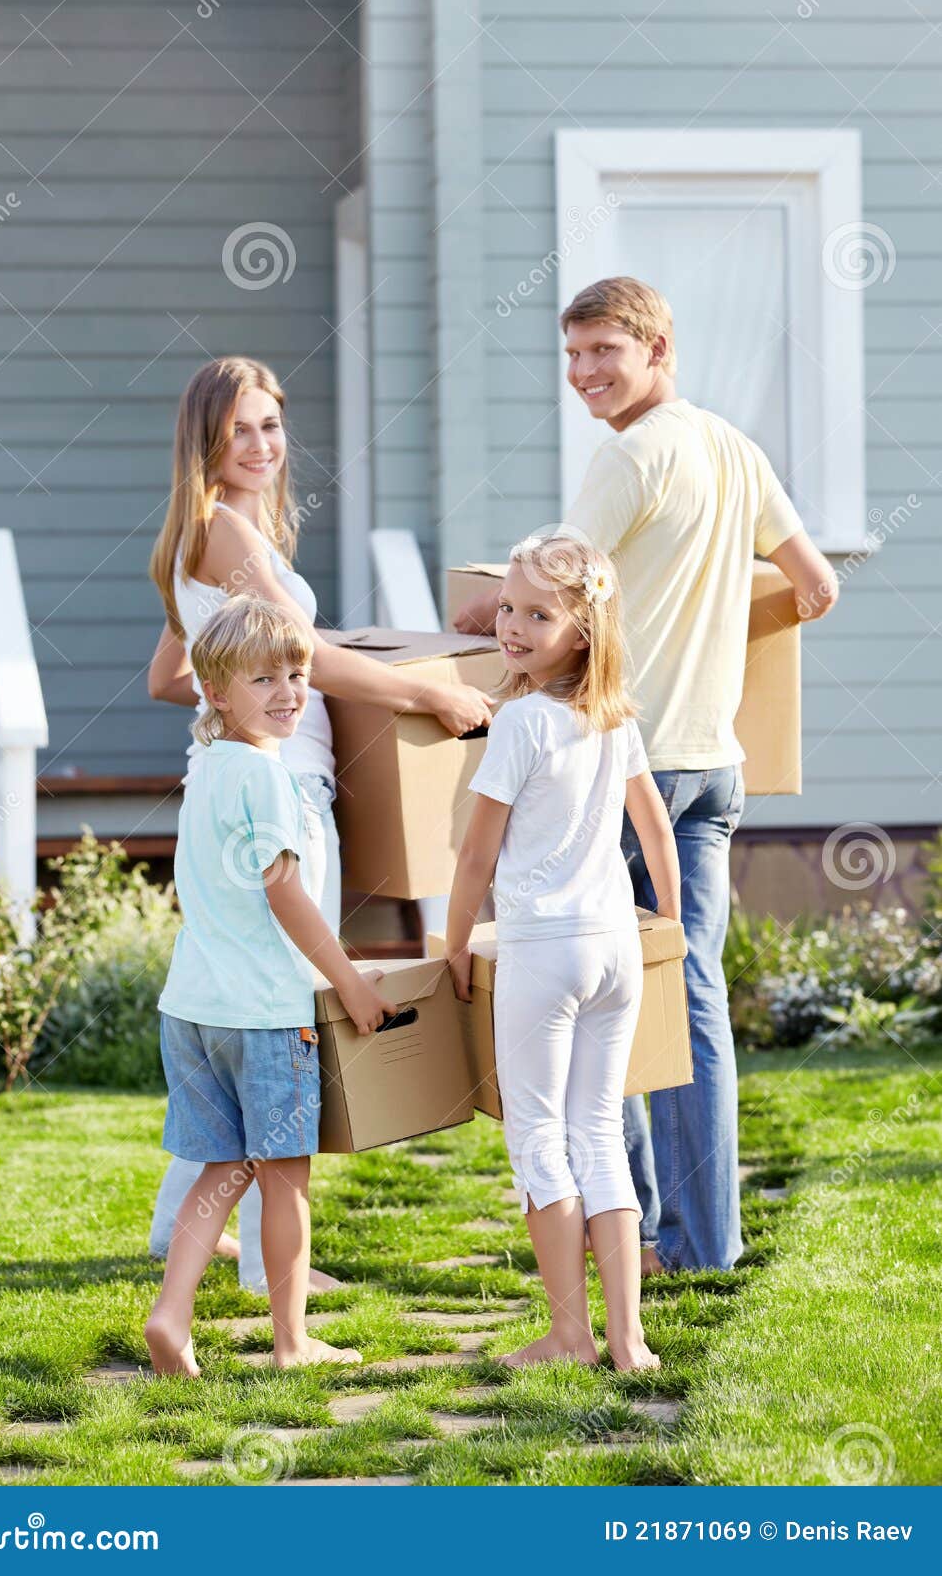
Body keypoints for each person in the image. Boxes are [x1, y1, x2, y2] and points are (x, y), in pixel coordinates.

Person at [454, 277, 839, 1271]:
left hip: (629, 766)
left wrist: (480, 612)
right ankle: (701, 1241)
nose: (583, 372)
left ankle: (630, 1227)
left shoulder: (630, 456)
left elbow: (549, 587)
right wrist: (704, 620)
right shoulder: (734, 450)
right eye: (572, 354)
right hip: (713, 763)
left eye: (603, 353)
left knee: (609, 997)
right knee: (688, 989)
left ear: (656, 348)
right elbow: (814, 587)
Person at [146, 356, 493, 1292]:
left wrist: (228, 688)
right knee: (282, 1005)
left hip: (228, 780)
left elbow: (168, 677)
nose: (261, 444)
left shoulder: (205, 532)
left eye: (271, 424)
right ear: (207, 439)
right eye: (240, 429)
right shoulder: (227, 531)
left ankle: (179, 1226)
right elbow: (306, 654)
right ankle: (272, 1269)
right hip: (281, 786)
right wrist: (425, 691)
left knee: (249, 993)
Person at [145, 594, 398, 1376]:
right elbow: (284, 893)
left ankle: (171, 1315)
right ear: (216, 692)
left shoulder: (209, 771)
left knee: (221, 1169)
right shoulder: (266, 777)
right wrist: (349, 982)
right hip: (263, 1015)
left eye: (296, 674)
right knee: (285, 1180)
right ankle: (293, 1343)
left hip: (194, 1009)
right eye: (264, 679)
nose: (289, 692)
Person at [445, 534, 680, 1370]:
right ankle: (630, 1340)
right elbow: (654, 827)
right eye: (507, 607)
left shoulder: (520, 723)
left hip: (544, 954)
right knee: (599, 1134)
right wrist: (669, 922)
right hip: (615, 949)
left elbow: (476, 853)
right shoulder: (613, 717)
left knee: (540, 1140)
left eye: (536, 616)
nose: (510, 626)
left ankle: (569, 1336)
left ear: (582, 632)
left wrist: (452, 943)